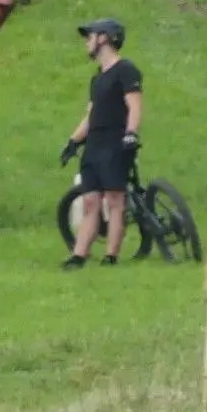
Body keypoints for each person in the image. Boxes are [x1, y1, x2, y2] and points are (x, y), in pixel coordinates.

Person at [59, 17, 142, 269]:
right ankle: (79, 256)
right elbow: (90, 115)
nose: (87, 42)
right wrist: (74, 141)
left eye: (90, 36)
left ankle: (111, 256)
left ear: (104, 38)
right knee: (90, 201)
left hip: (116, 141)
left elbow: (135, 105)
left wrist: (131, 132)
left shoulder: (125, 70)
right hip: (94, 144)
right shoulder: (97, 79)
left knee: (115, 200)